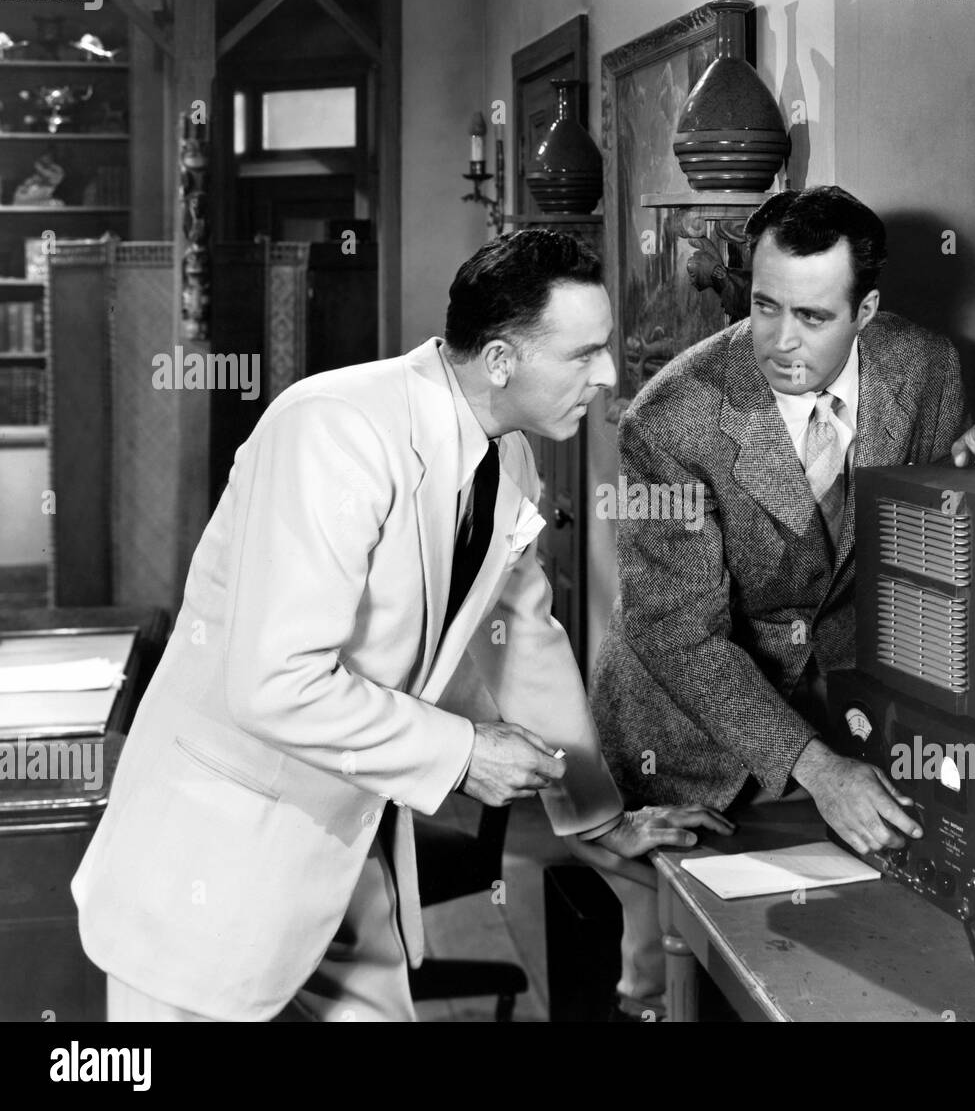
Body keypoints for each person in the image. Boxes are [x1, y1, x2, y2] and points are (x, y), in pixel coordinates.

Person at [72, 229, 731, 1022]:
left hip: (344, 852)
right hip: (215, 867)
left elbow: (524, 640)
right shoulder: (332, 430)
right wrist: (464, 754)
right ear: (499, 360)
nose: (610, 375)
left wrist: (601, 816)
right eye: (583, 355)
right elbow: (275, 682)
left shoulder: (507, 458)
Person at [589, 185, 975, 1019]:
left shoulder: (925, 367)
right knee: (672, 978)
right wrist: (819, 767)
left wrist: (968, 464)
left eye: (813, 315)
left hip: (840, 715)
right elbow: (678, 634)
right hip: (687, 741)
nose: (782, 342)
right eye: (765, 307)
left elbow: (913, 534)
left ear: (865, 309)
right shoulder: (671, 420)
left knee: (831, 970)